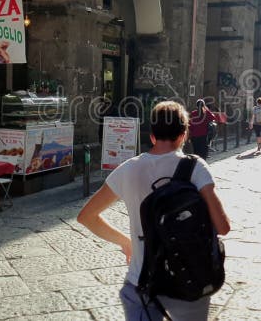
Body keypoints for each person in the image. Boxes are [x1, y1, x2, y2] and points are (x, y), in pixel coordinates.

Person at [77, 101, 230, 320]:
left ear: (152, 135)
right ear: (184, 135)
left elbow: (87, 217)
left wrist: (126, 242)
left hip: (143, 279)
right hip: (191, 278)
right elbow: (223, 227)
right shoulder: (195, 167)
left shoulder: (128, 169)